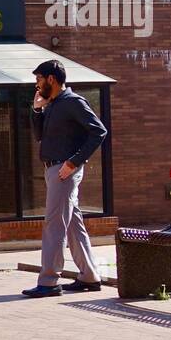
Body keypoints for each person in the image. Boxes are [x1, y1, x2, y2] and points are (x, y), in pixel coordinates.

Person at [24, 59, 108, 297]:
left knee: (54, 225)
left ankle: (49, 281)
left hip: (64, 170)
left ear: (51, 79)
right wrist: (37, 109)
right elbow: (39, 135)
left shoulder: (73, 102)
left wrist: (74, 162)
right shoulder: (52, 104)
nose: (37, 85)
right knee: (73, 224)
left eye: (39, 79)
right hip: (54, 169)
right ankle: (89, 276)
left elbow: (99, 131)